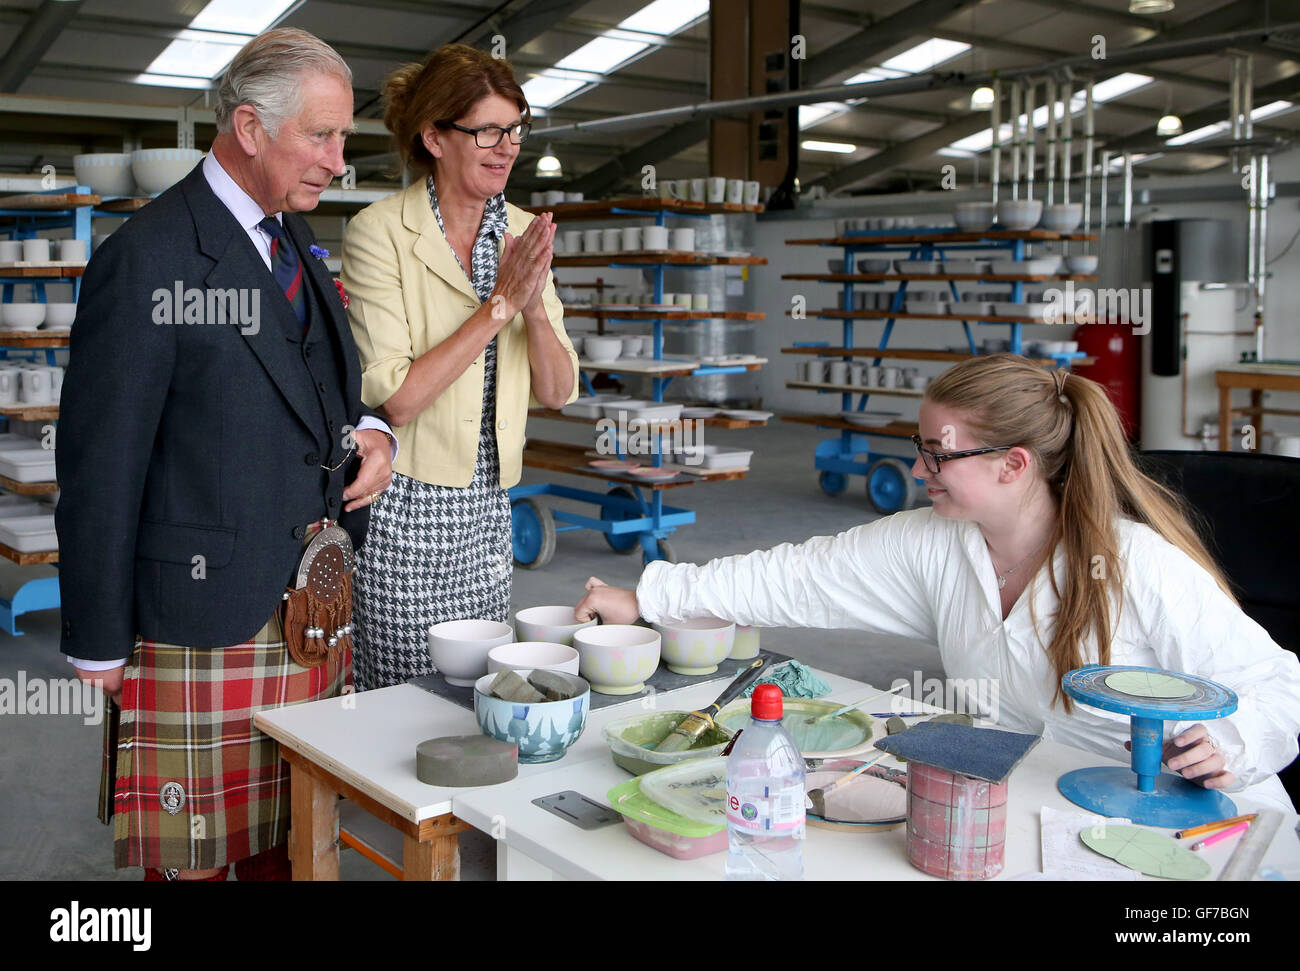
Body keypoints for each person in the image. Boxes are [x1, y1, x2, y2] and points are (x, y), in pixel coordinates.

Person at [576, 354, 1300, 811]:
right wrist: (648, 598)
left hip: (1203, 832)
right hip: (1047, 808)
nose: (920, 468)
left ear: (1013, 465)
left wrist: (1236, 740)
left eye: (937, 454)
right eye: (918, 448)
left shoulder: (1137, 565)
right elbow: (798, 574)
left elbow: (1278, 683)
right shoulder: (939, 542)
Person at [57, 28, 395, 881]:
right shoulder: (147, 259)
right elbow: (100, 463)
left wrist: (375, 432)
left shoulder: (296, 249)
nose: (339, 159)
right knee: (196, 866)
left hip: (310, 614)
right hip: (200, 622)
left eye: (344, 137)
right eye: (320, 136)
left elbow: (327, 382)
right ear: (248, 127)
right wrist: (97, 637)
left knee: (293, 846)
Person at [340, 44, 578, 691]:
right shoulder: (379, 232)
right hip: (406, 508)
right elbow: (396, 398)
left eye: (516, 130)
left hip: (487, 509)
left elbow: (558, 391)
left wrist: (531, 308)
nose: (507, 147)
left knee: (476, 692)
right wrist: (500, 304)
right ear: (435, 137)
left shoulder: (525, 233)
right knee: (402, 697)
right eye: (488, 131)